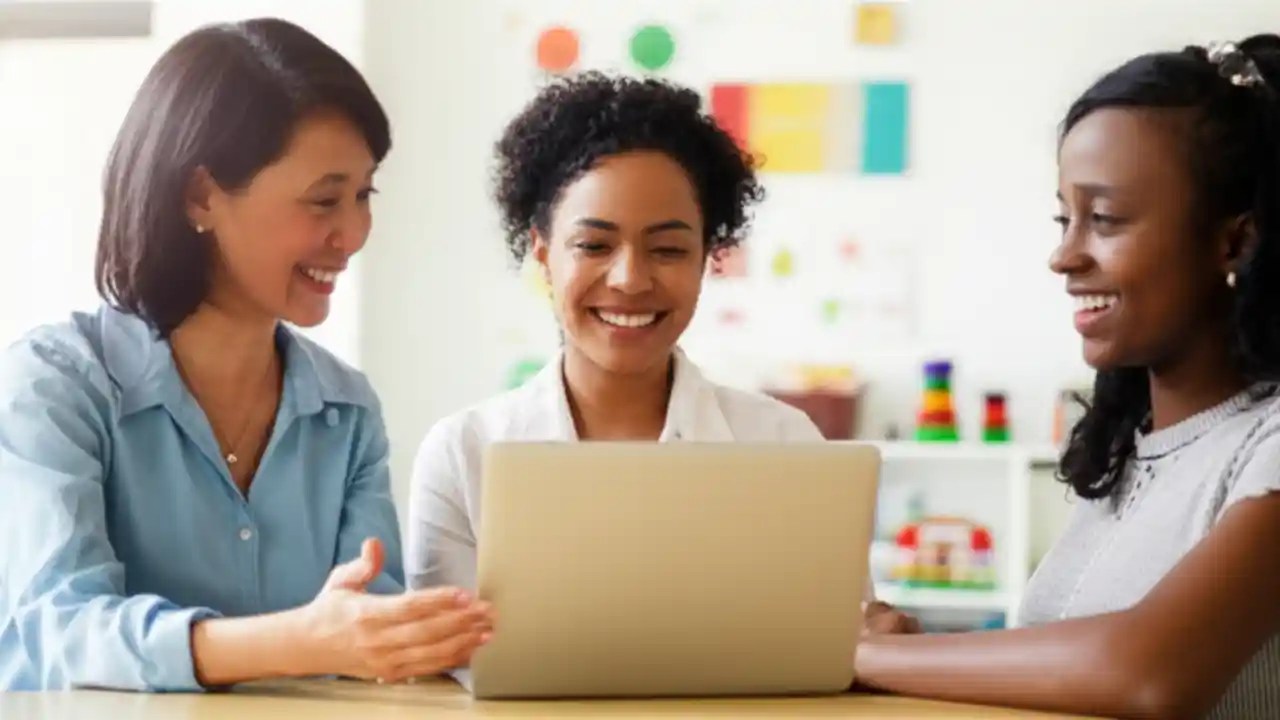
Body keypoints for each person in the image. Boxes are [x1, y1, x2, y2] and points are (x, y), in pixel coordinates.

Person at [0, 18, 491, 692]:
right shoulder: (56, 388)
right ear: (200, 196)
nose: (353, 233)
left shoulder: (346, 412)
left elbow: (369, 644)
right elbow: (61, 631)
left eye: (363, 195)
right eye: (324, 200)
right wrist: (297, 642)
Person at [406, 72, 913, 649]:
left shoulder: (786, 445)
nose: (630, 279)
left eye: (668, 249)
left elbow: (837, 648)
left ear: (706, 259)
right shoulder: (464, 453)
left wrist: (874, 639)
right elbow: (446, 664)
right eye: (594, 245)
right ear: (543, 255)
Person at [853, 35, 1280, 719]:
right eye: (1064, 218)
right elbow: (1077, 670)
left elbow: (1147, 672)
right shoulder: (1129, 455)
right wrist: (916, 648)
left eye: (1103, 219)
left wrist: (864, 655)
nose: (1063, 256)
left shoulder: (1267, 446)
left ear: (1236, 241)